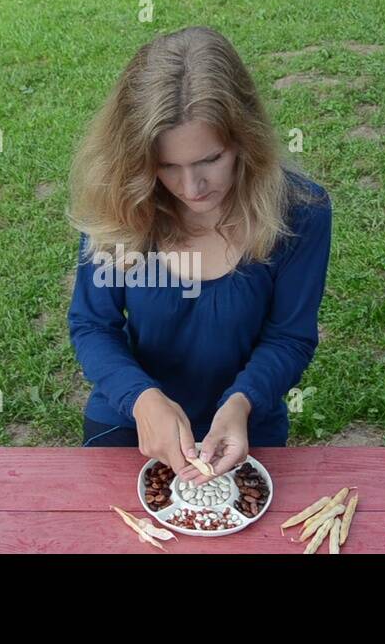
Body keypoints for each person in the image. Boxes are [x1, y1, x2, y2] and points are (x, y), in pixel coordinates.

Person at [66, 26, 332, 484]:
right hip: (128, 420)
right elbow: (93, 325)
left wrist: (242, 401)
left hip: (245, 427)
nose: (192, 188)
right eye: (167, 166)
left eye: (210, 159)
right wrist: (142, 400)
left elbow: (290, 337)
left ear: (245, 140)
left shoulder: (301, 212)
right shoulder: (123, 200)